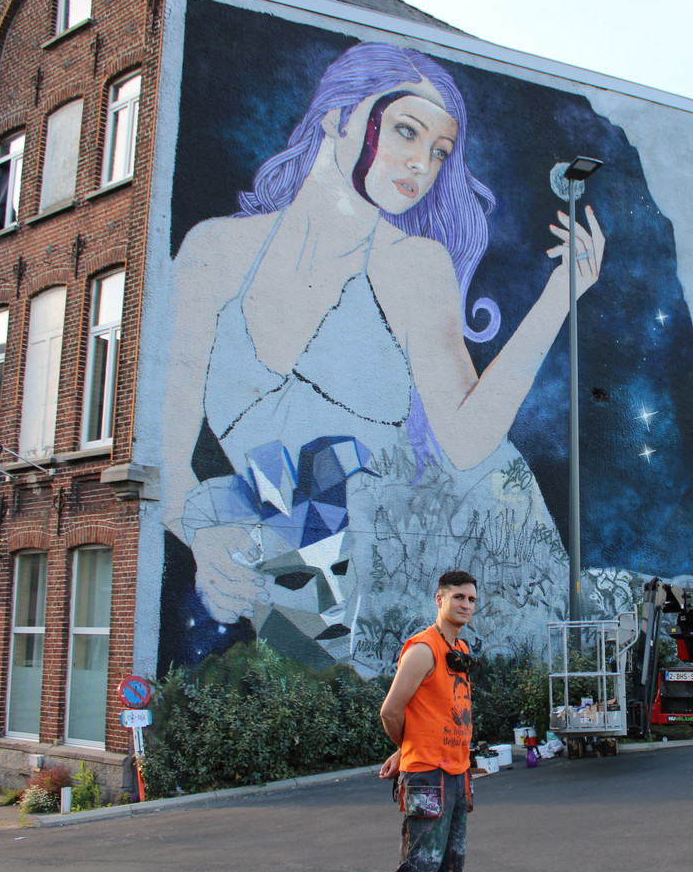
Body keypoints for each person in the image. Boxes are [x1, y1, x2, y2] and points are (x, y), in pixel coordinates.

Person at [164, 42, 604, 662]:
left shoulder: (415, 267)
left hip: (437, 548)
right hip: (306, 569)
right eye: (405, 131)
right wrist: (202, 539)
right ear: (336, 117)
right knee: (315, 665)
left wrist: (560, 297)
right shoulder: (213, 253)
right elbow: (162, 460)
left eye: (439, 152)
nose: (422, 164)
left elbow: (467, 439)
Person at [379, 570, 479, 872]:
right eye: (458, 597)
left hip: (457, 773)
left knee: (449, 871)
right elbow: (390, 711)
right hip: (428, 777)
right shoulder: (423, 650)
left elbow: (433, 712)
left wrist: (402, 749)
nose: (465, 604)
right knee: (418, 871)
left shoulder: (460, 649)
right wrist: (409, 748)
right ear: (440, 599)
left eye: (471, 599)